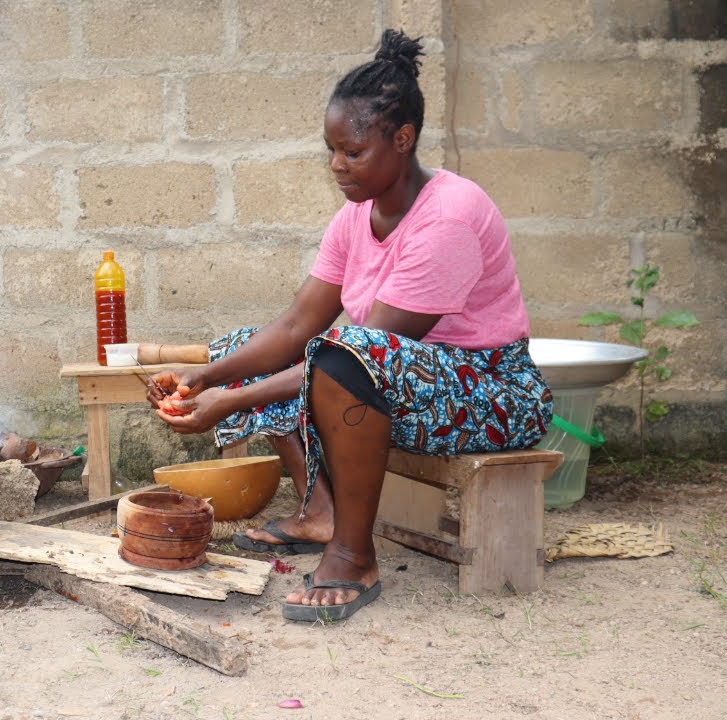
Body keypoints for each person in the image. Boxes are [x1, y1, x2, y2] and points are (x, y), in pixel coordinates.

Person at [147, 29, 553, 622]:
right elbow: (293, 328)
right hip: (399, 376)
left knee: (345, 356)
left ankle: (353, 554)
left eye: (353, 152)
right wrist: (206, 375)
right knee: (249, 347)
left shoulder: (450, 217)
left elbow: (365, 356)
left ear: (403, 139)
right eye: (331, 150)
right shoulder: (356, 214)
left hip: (491, 393)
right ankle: (321, 513)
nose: (337, 165)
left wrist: (227, 404)